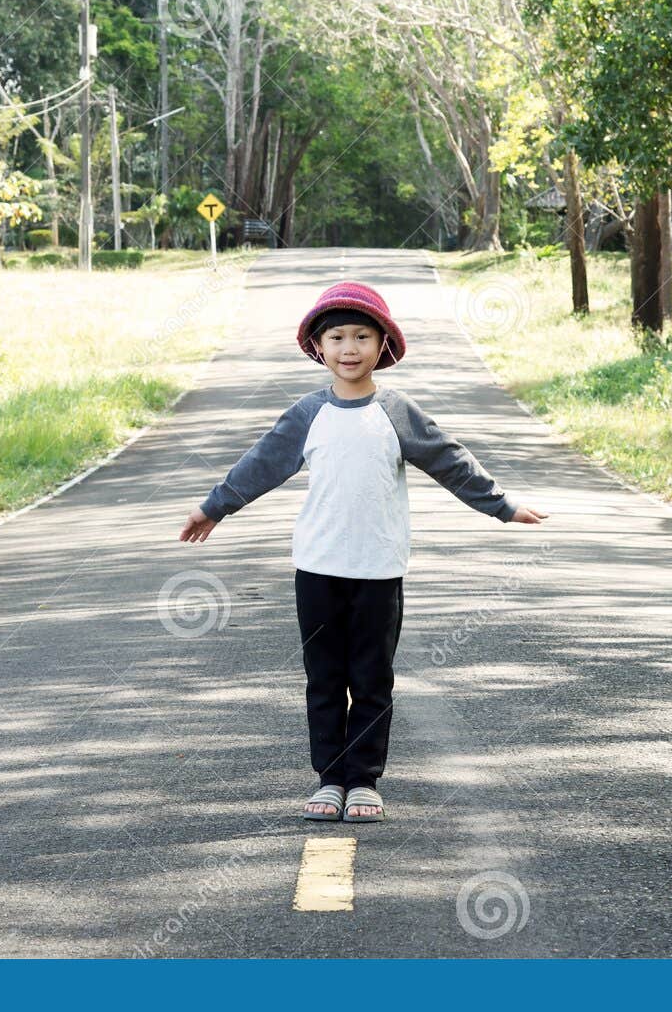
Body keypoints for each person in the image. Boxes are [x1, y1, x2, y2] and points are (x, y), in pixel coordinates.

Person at [178, 281, 548, 823]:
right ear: (319, 347)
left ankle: (364, 780)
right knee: (324, 676)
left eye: (361, 336)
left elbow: (450, 460)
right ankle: (330, 778)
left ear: (382, 345)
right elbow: (260, 465)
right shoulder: (308, 413)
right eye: (337, 337)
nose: (349, 348)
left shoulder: (397, 411)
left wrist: (502, 505)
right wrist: (214, 507)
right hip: (317, 569)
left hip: (379, 570)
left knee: (372, 678)